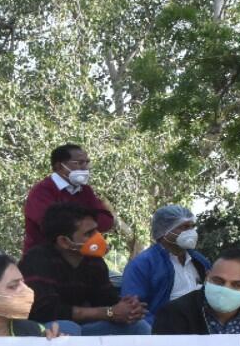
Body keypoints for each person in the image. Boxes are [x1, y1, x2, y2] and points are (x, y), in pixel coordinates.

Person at [20, 203, 148, 335]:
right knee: (67, 328)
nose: (98, 237)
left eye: (96, 231)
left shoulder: (94, 262)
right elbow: (46, 311)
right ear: (64, 241)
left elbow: (106, 300)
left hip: (80, 330)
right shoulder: (37, 260)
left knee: (138, 326)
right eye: (89, 233)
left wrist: (128, 308)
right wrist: (109, 312)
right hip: (42, 332)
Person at [121, 205, 209, 326]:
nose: (191, 232)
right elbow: (134, 309)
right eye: (184, 227)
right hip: (166, 332)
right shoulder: (142, 264)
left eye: (192, 226)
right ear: (164, 231)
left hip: (202, 330)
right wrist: (160, 330)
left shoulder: (200, 261)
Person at [21, 144, 117, 254]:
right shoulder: (41, 192)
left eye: (87, 162)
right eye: (80, 163)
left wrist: (79, 224)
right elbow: (54, 227)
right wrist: (88, 222)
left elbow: (107, 221)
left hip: (80, 258)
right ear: (59, 166)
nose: (85, 167)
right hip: (44, 260)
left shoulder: (85, 190)